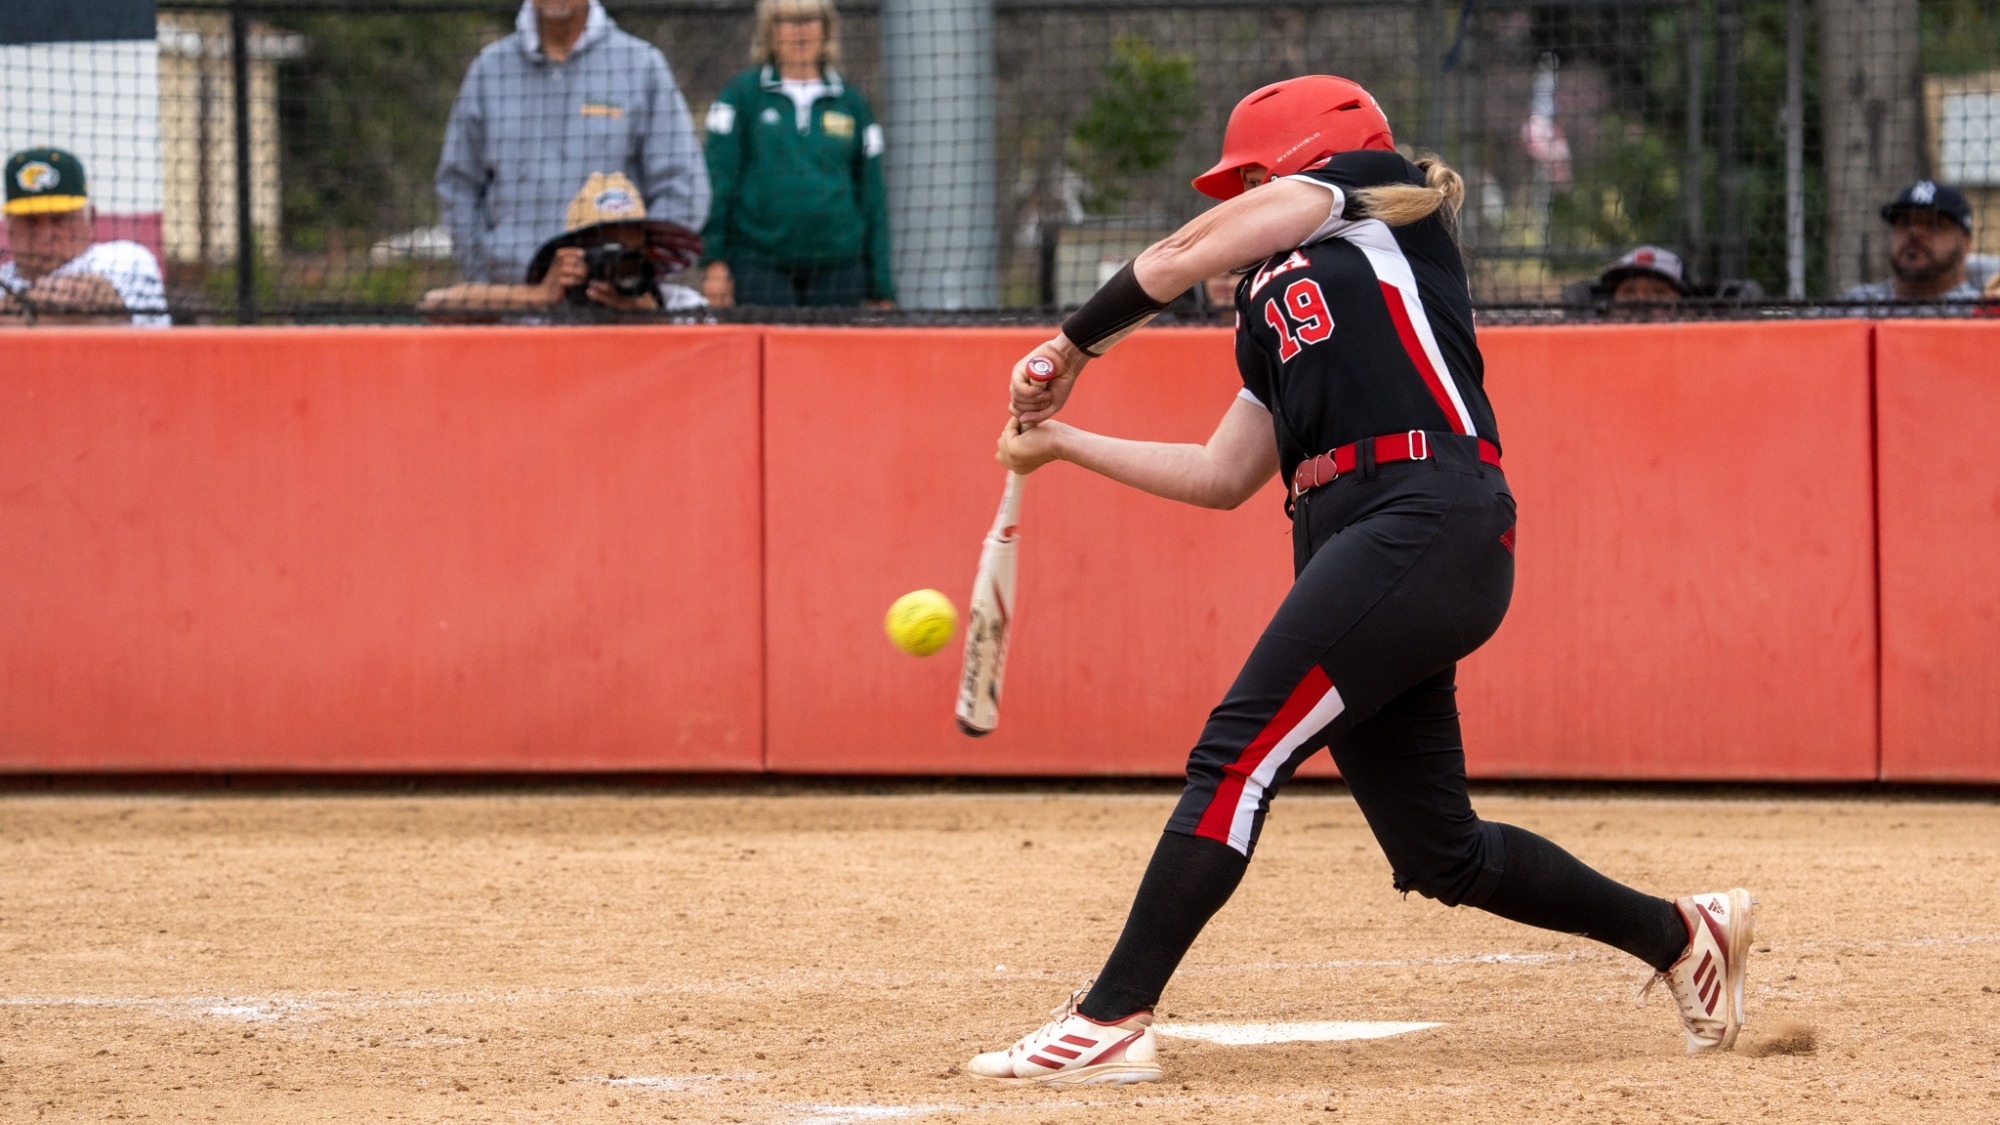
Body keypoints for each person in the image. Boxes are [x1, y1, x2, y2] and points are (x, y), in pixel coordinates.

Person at [964, 75, 1756, 1087]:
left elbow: (1173, 257)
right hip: (1357, 534)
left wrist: (1071, 346)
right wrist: (1064, 445)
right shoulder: (1268, 316)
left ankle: (1110, 1015)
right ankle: (1683, 937)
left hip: (1422, 513)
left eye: (1246, 178)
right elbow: (1220, 475)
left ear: (1298, 158)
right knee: (1438, 853)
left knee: (1236, 753)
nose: (1231, 202)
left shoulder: (1371, 196)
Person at [436, 0, 710, 287]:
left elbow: (684, 187)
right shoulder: (488, 70)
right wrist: (486, 278)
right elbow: (458, 185)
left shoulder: (641, 65)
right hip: (512, 301)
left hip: (610, 306)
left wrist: (632, 275)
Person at [698, 0, 893, 309]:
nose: (800, 30)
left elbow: (873, 198)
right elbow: (718, 180)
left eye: (810, 19)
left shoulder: (852, 104)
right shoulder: (742, 96)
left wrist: (882, 287)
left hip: (838, 270)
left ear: (826, 27)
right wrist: (713, 260)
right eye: (787, 20)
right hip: (758, 266)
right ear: (770, 30)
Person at [420, 172, 704, 317]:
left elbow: (715, 348)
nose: (613, 262)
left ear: (646, 250)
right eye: (602, 249)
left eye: (625, 250)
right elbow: (434, 306)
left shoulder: (678, 304)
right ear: (573, 252)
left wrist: (653, 320)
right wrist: (538, 296)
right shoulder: (551, 312)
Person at [0, 147, 168, 327]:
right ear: (9, 226)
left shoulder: (125, 258)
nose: (45, 235)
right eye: (30, 222)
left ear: (91, 218)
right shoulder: (4, 276)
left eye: (59, 219)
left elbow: (79, 300)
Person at [1841, 180, 1981, 303]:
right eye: (1905, 222)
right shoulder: (1854, 304)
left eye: (1934, 224)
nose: (1914, 232)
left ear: (1965, 244)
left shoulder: (1983, 312)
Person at [1598, 244, 1688, 305]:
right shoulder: (1589, 330)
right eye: (1628, 292)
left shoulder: (1700, 330)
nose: (1640, 300)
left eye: (1658, 293)